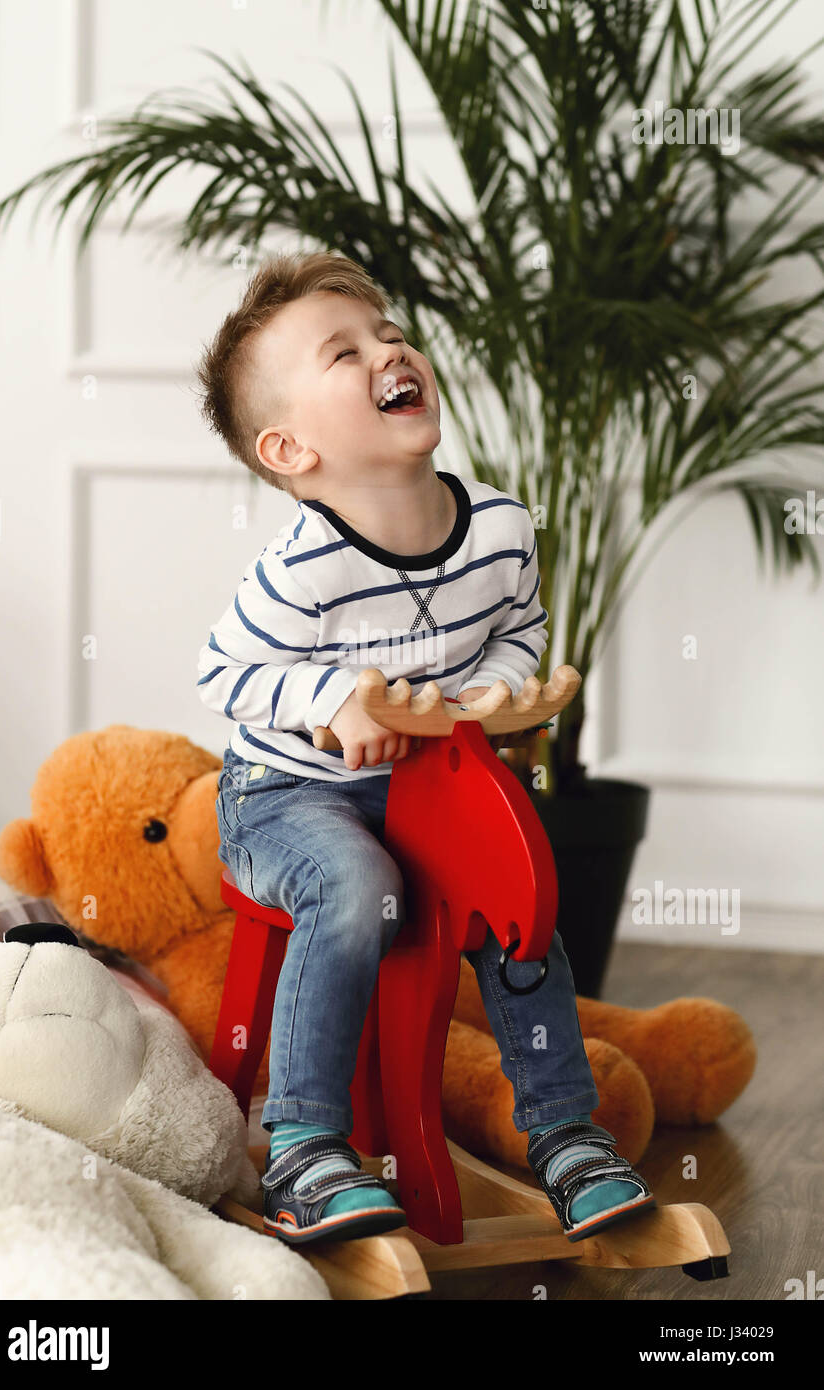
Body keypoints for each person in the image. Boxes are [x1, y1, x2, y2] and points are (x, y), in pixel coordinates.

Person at [196, 250, 654, 1245]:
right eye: (343, 352)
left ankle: (562, 1132)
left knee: (509, 892)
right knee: (357, 884)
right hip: (287, 794)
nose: (387, 351)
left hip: (423, 786)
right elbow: (223, 674)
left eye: (389, 333)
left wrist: (502, 680)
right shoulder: (301, 565)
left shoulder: (494, 527)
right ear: (289, 450)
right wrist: (324, 697)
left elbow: (516, 627)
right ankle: (305, 1143)